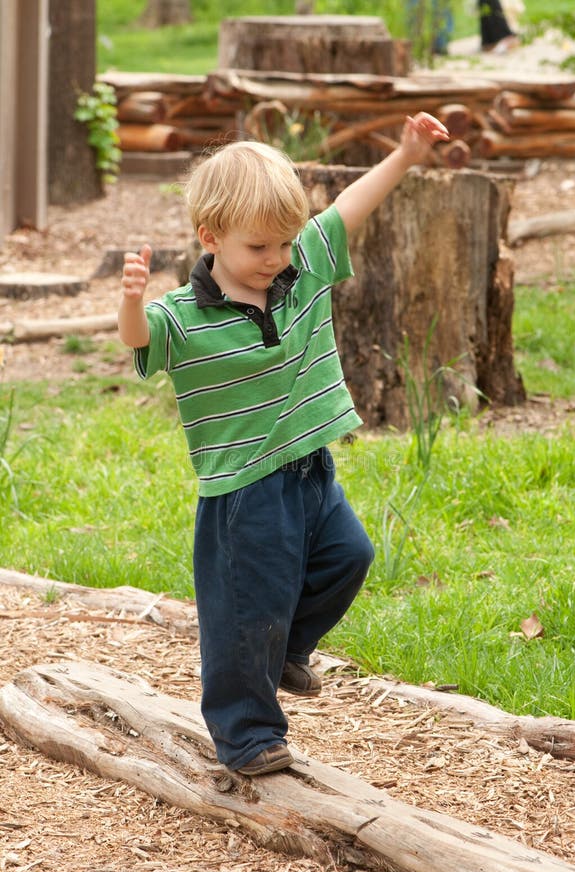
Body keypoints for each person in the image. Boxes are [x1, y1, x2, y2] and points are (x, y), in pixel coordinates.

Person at [119, 112, 449, 776]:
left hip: (310, 469)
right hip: (245, 491)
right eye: (259, 248)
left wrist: (406, 156)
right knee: (246, 613)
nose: (275, 259)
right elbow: (139, 340)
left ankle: (290, 651)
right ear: (211, 237)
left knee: (350, 556)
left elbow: (348, 208)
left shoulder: (300, 267)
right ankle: (247, 737)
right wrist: (130, 300)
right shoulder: (182, 316)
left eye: (285, 243)